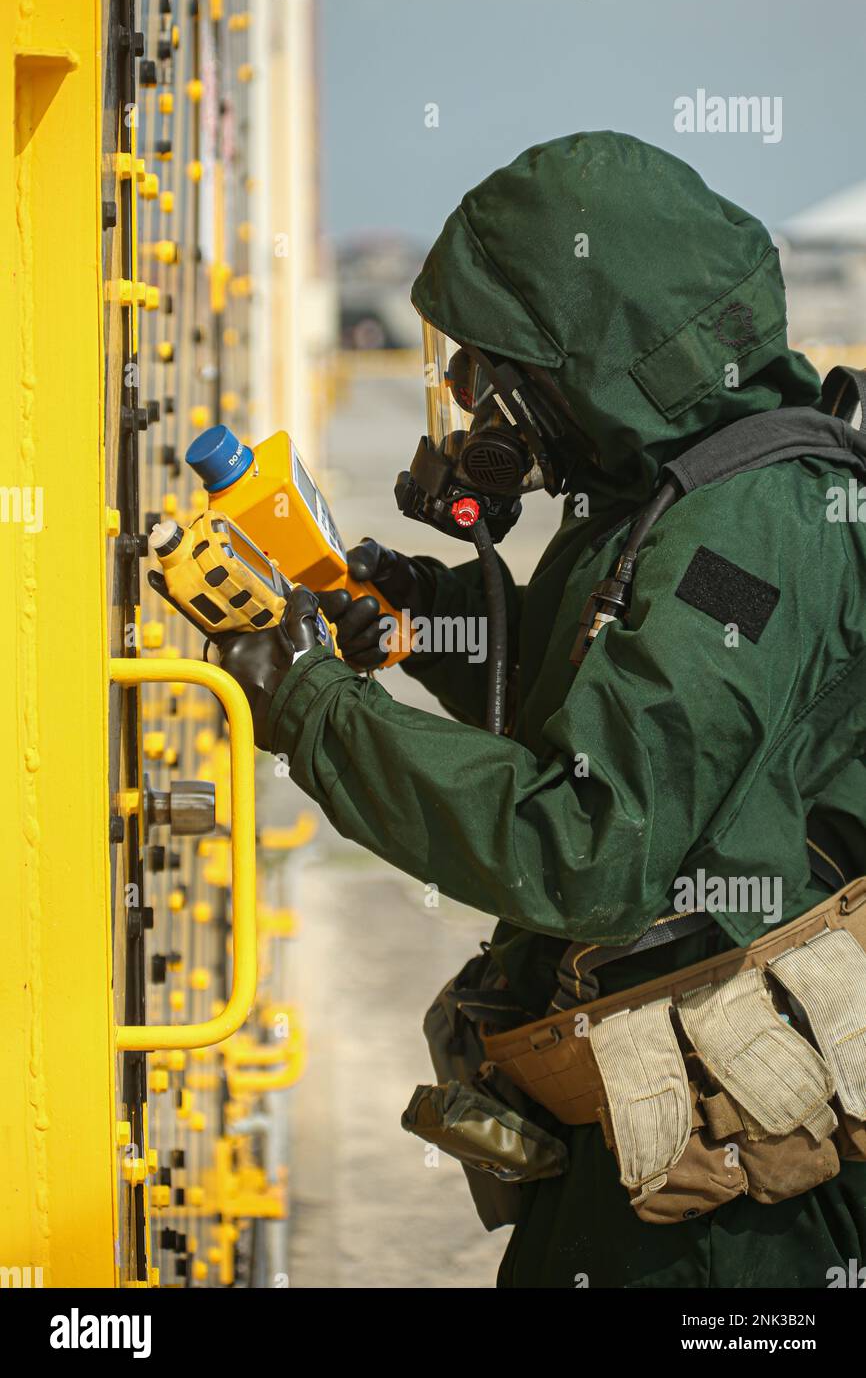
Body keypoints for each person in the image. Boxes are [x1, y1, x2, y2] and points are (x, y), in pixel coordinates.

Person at [159, 132, 866, 1287]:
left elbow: (588, 843)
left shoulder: (744, 539)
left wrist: (315, 705)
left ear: (582, 356)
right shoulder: (670, 492)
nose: (463, 397)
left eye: (488, 366)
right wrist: (410, 604)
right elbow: (593, 672)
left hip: (726, 1206)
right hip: (650, 1140)